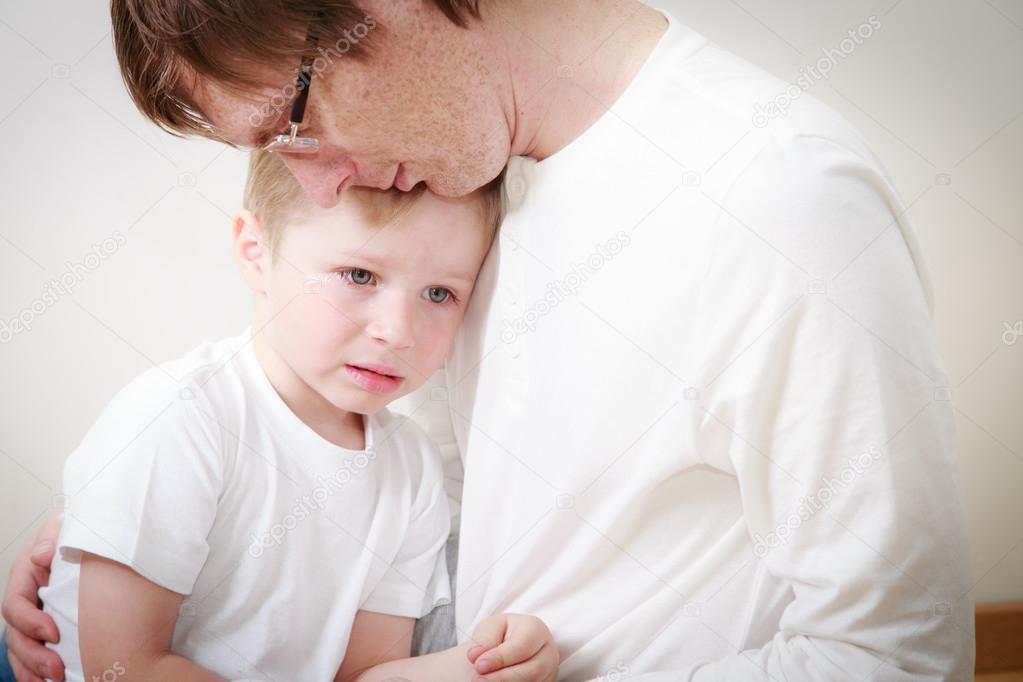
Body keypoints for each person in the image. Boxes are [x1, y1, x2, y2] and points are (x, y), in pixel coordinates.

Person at [4, 1, 974, 680]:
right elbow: (436, 508)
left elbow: (894, 659)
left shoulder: (783, 204)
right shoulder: (468, 170)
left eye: (292, 122)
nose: (318, 185)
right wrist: (126, 548)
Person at [19, 149, 558, 682]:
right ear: (256, 253)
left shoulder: (412, 468)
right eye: (359, 275)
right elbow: (127, 668)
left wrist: (478, 667)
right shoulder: (180, 416)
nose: (398, 331)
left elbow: (366, 673)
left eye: (439, 293)